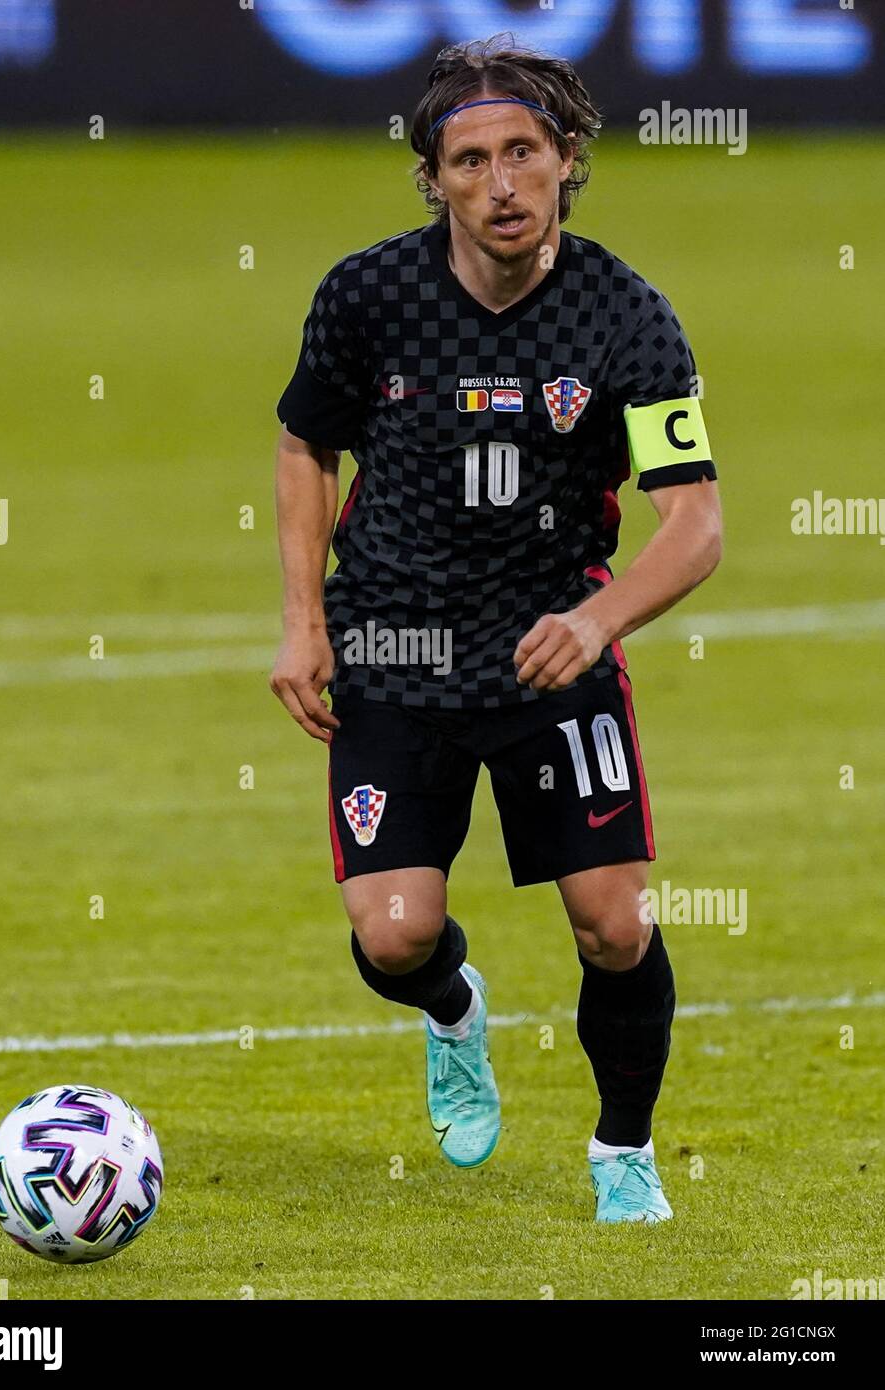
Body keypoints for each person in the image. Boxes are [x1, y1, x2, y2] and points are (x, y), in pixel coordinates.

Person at [271, 34, 721, 1224]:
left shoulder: (625, 318)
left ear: (567, 157)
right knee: (392, 934)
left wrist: (596, 617)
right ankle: (451, 1008)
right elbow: (304, 444)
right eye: (467, 160)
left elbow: (694, 525)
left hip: (546, 651)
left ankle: (621, 1150)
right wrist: (302, 621)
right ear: (432, 178)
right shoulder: (367, 297)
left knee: (615, 924)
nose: (500, 182)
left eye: (522, 151)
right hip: (392, 647)